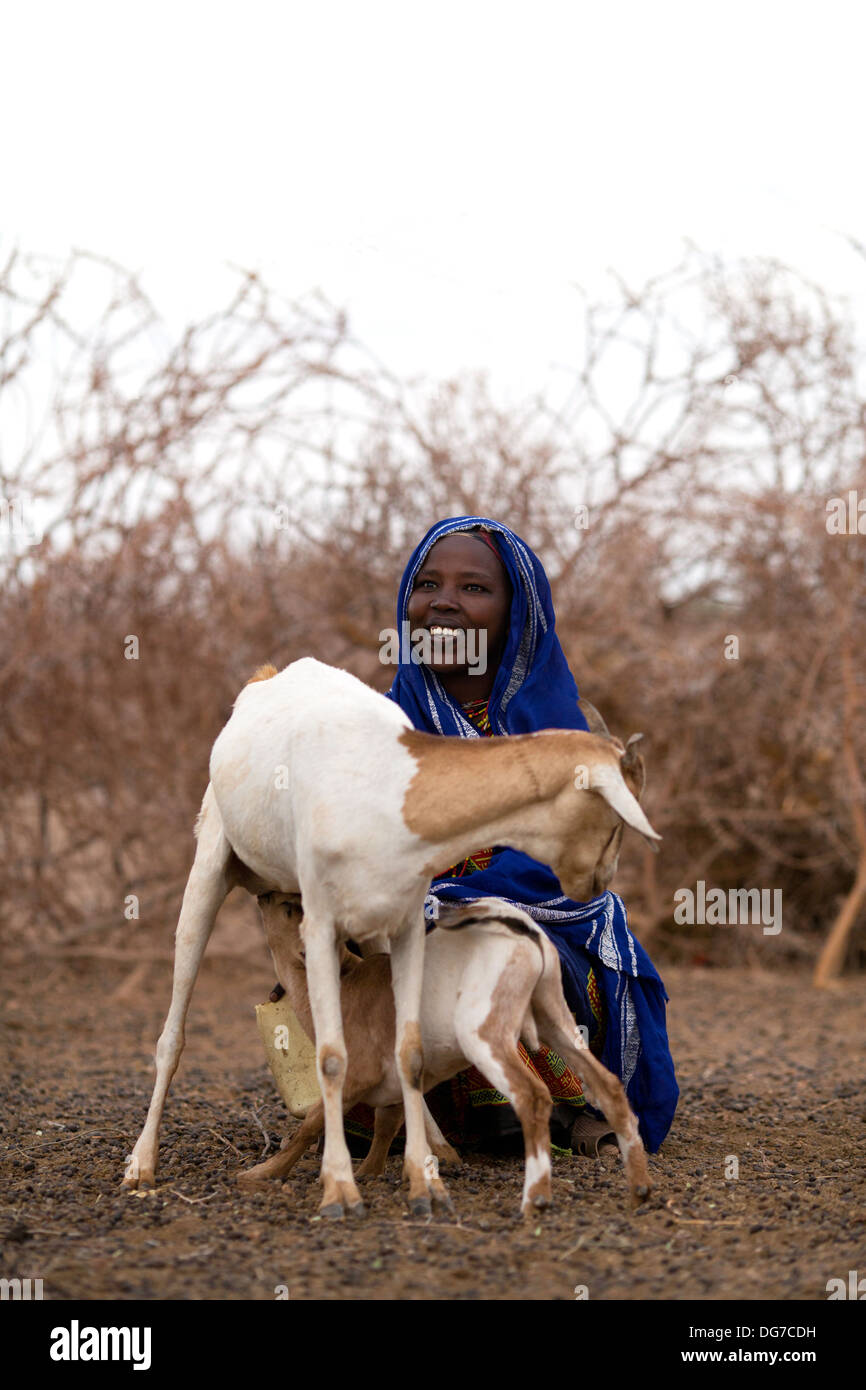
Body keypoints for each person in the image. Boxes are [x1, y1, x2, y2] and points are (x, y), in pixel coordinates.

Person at [374, 514, 679, 1157]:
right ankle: (389, 1107)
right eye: (427, 584)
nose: (445, 602)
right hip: (400, 922)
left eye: (475, 588)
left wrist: (467, 901)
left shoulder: (573, 730)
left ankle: (543, 1107)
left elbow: (578, 871)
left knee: (504, 940)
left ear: (520, 612)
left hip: (547, 924)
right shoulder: (378, 728)